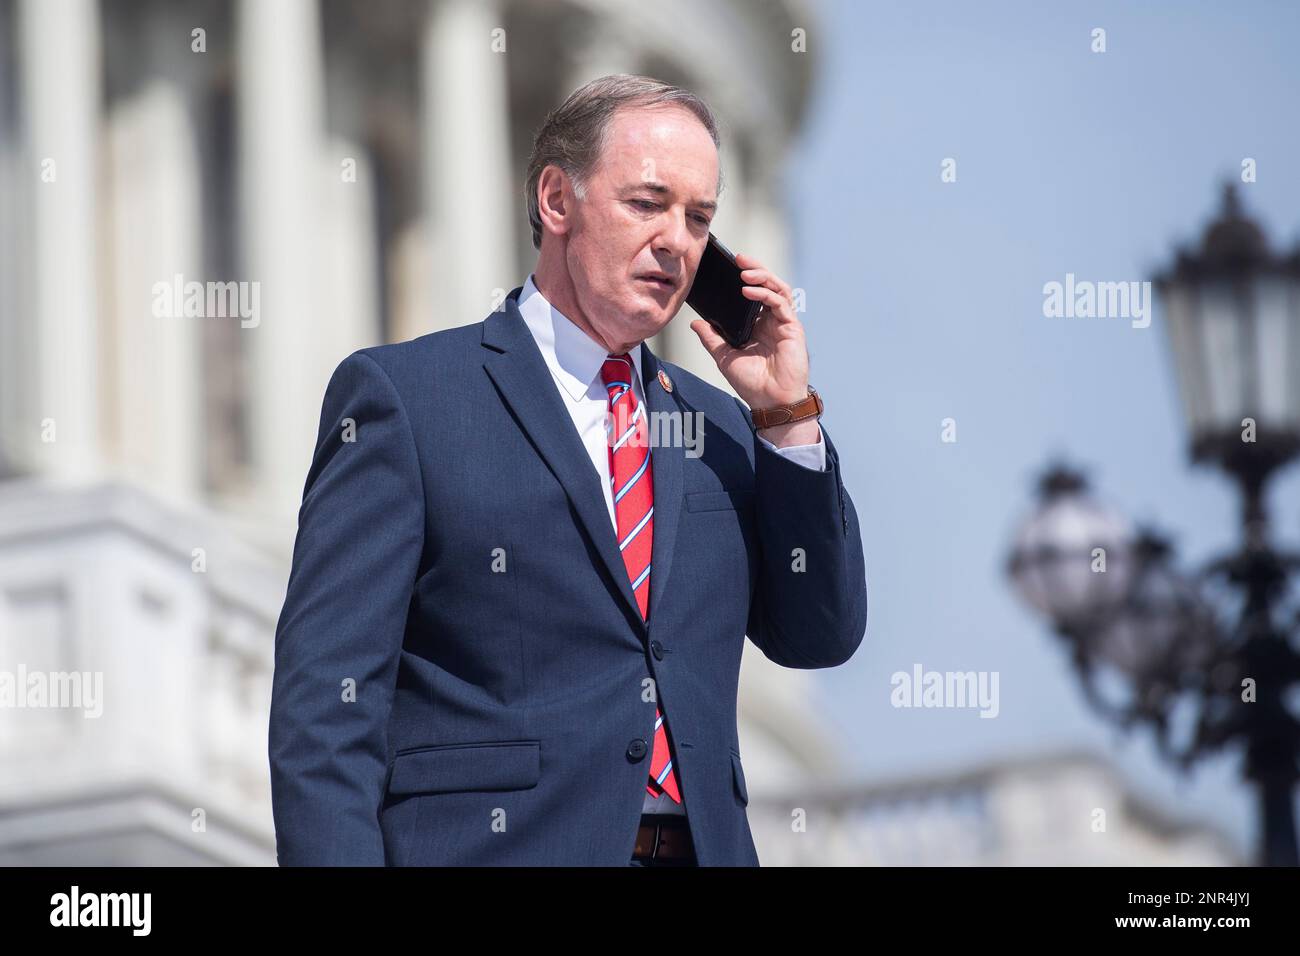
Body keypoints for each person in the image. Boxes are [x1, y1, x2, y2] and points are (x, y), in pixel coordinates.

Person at [268, 73, 868, 867]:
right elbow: (324, 715)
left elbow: (819, 633)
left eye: (699, 218)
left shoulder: (727, 428)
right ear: (557, 201)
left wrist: (786, 413)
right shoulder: (408, 401)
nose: (678, 242)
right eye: (647, 204)